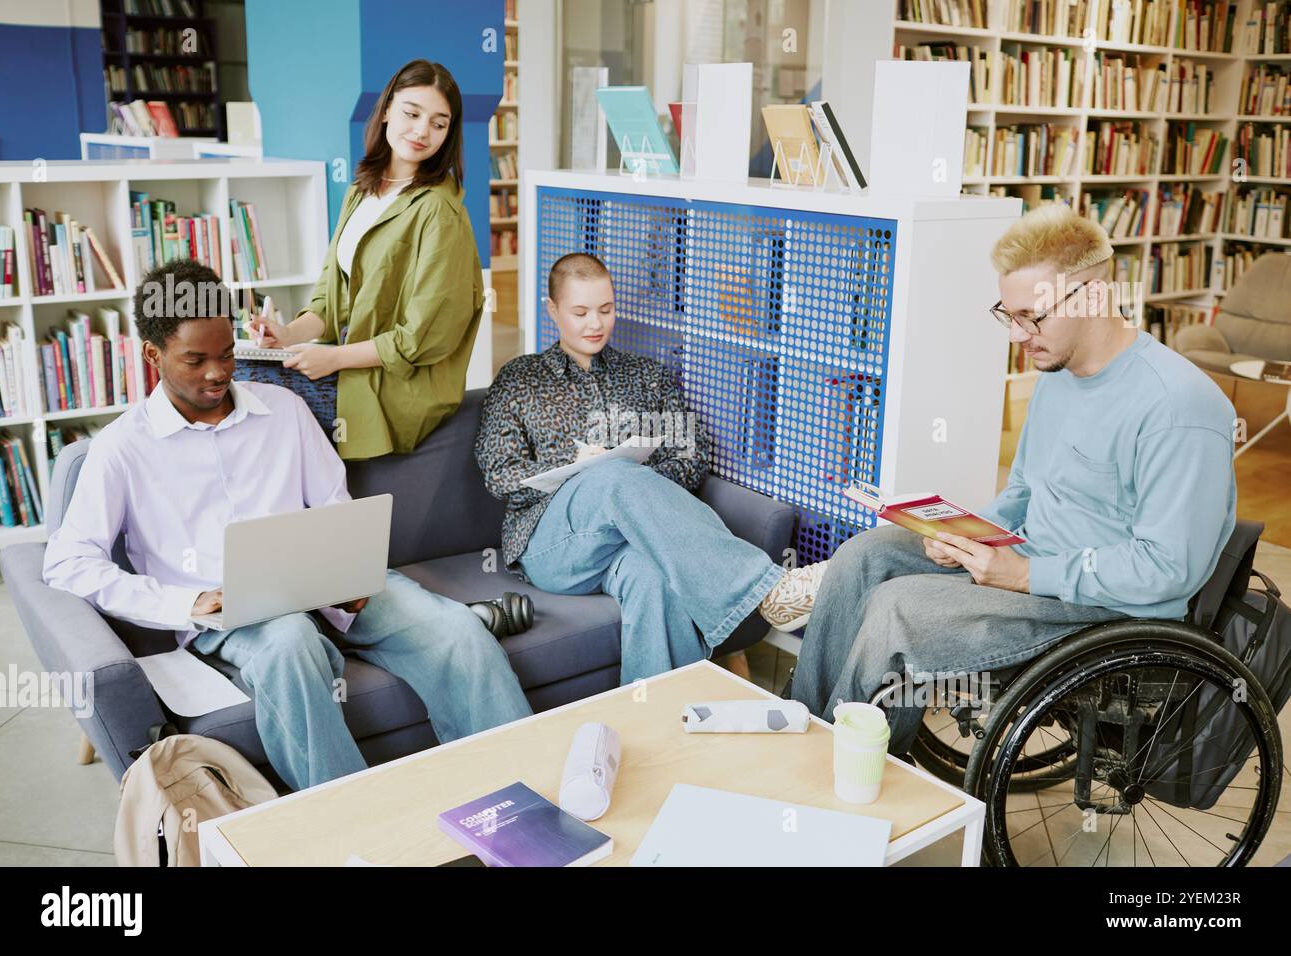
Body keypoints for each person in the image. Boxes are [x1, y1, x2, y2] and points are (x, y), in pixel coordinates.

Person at [43, 259, 532, 791]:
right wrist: (185, 604)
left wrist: (347, 573)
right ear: (153, 355)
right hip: (235, 617)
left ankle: (520, 794)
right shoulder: (121, 448)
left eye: (227, 353)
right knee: (290, 642)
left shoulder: (284, 409)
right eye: (195, 359)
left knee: (456, 631)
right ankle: (350, 835)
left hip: (327, 589)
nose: (217, 372)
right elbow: (68, 563)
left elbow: (332, 506)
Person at [790, 204, 1238, 755]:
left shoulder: (1179, 407)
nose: (1019, 335)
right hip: (1035, 568)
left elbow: (1168, 569)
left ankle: (845, 772)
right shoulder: (1059, 374)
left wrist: (1025, 574)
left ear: (1094, 294)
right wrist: (972, 536)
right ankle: (805, 733)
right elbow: (1025, 489)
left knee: (899, 610)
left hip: (1108, 608)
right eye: (1010, 314)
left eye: (1035, 316)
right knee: (865, 555)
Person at [475, 252, 827, 684]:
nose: (595, 324)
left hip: (631, 538)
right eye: (580, 312)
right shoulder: (520, 378)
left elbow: (690, 457)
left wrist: (637, 486)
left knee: (653, 580)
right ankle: (770, 590)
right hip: (550, 544)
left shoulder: (647, 376)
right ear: (553, 310)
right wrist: (579, 466)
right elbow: (500, 476)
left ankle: (656, 719)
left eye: (606, 309)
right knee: (610, 477)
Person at [248, 59, 484, 460]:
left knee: (246, 386)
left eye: (439, 123)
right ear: (387, 109)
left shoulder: (440, 213)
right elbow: (329, 299)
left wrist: (334, 358)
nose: (422, 131)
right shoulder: (361, 191)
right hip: (347, 363)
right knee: (235, 375)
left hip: (396, 389)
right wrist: (285, 336)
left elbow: (420, 339)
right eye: (412, 113)